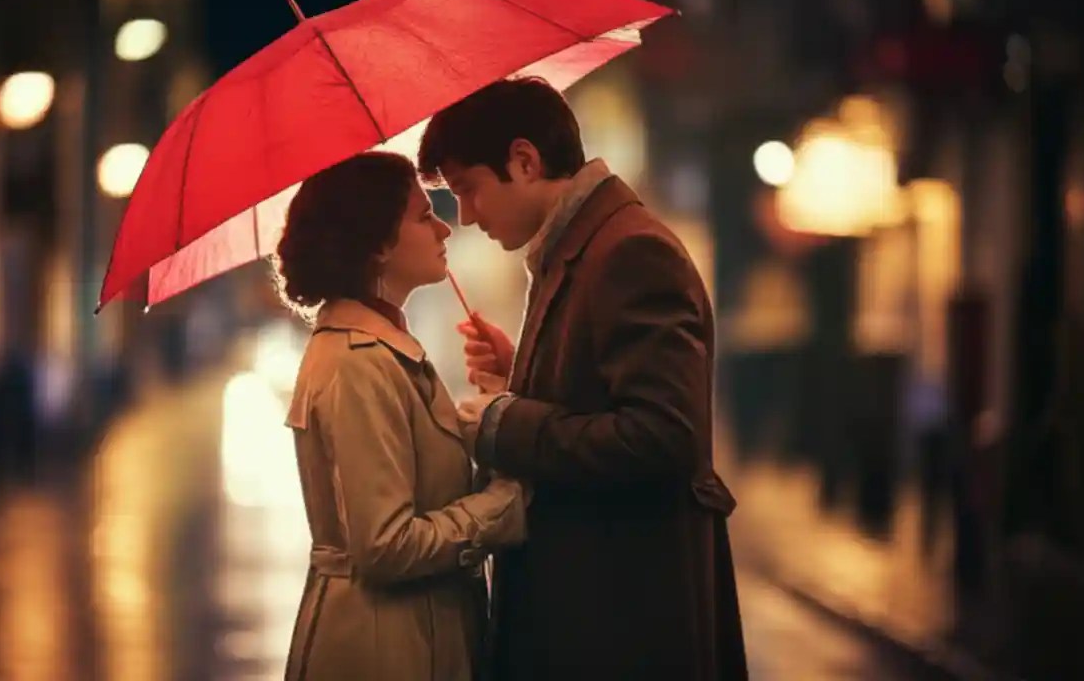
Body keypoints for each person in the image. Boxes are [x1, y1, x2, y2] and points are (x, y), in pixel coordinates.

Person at [419, 77, 748, 679]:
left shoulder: (628, 252)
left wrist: (505, 422)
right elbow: (601, 388)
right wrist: (521, 369)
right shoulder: (579, 245)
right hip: (597, 609)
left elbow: (663, 437)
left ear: (524, 161)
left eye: (469, 190)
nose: (464, 217)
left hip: (623, 620)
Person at [275, 151, 527, 681]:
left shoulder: (386, 349)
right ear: (378, 247)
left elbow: (429, 482)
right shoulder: (356, 364)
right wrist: (500, 507)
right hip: (386, 648)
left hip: (420, 638)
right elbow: (387, 547)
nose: (444, 227)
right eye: (422, 215)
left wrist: (497, 399)